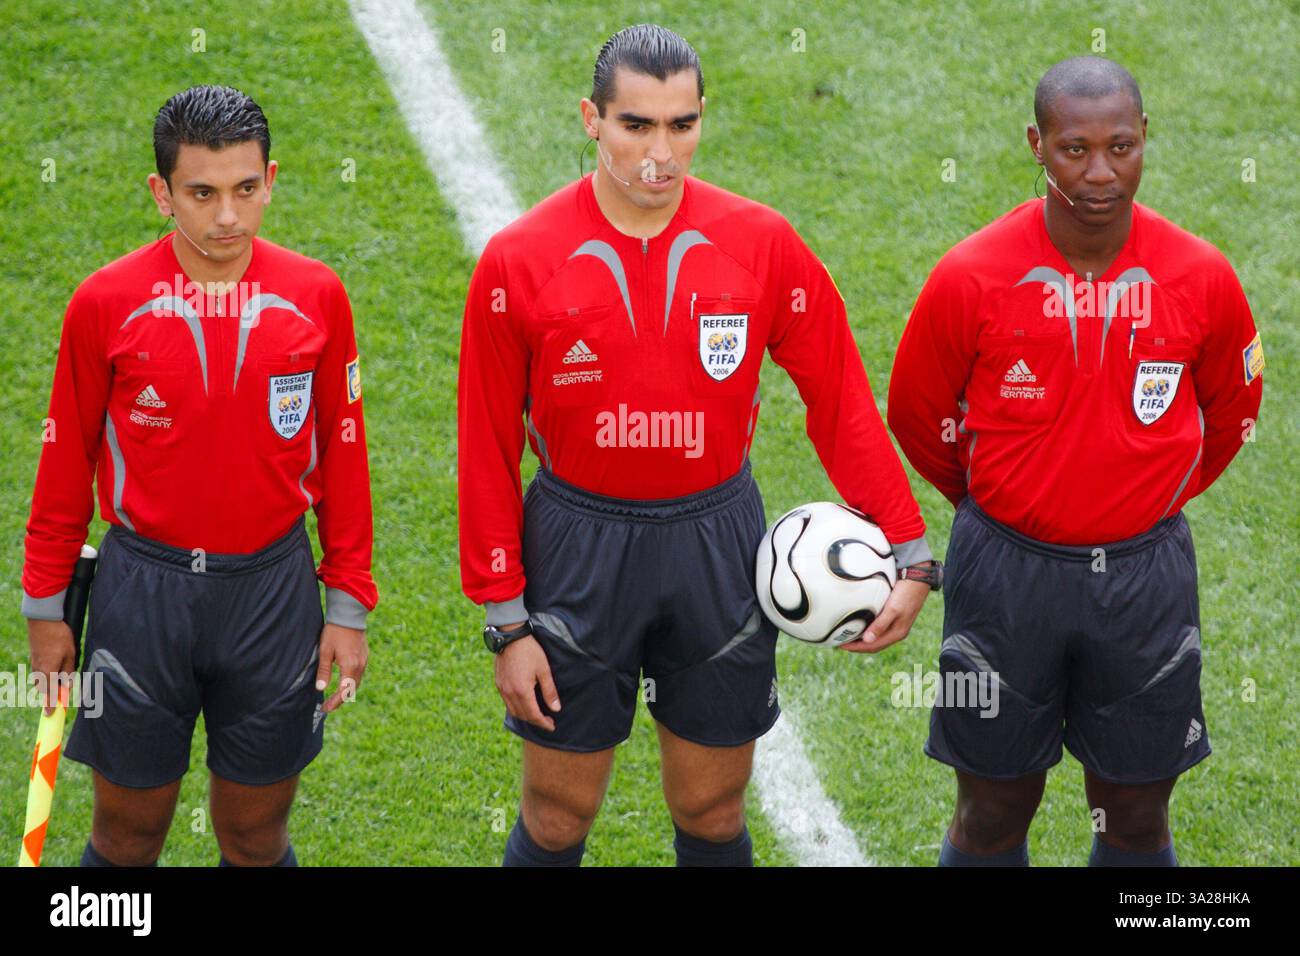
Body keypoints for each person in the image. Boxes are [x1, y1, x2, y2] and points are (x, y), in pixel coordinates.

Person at [458, 24, 938, 867]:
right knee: (558, 814)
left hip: (716, 542)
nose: (660, 152)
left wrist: (908, 546)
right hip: (577, 546)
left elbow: (838, 398)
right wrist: (505, 618)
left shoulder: (761, 243)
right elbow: (486, 445)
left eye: (681, 125)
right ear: (591, 120)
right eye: (636, 125)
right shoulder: (518, 259)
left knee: (713, 809)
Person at [887, 57, 1264, 866]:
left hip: (1143, 582)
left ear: (1145, 140)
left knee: (1135, 817)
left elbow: (1233, 415)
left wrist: (1146, 496)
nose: (1100, 173)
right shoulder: (971, 277)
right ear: (1036, 144)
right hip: (1003, 578)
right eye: (1074, 149)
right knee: (991, 810)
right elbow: (917, 416)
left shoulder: (1200, 277)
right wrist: (997, 505)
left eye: (1121, 147)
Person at [22, 85, 378, 867]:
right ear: (162, 194)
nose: (227, 217)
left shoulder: (318, 296)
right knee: (126, 836)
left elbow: (344, 458)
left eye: (246, 190)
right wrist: (46, 611)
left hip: (273, 595)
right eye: (202, 193)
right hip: (140, 598)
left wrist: (347, 607)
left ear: (272, 179)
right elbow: (64, 468)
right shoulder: (104, 303)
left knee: (254, 836)